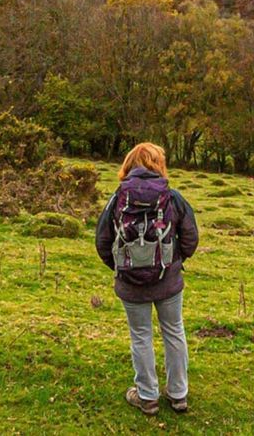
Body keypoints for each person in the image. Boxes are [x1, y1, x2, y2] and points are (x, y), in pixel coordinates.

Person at [94, 142, 199, 416]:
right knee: (174, 331)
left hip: (131, 284)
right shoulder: (173, 198)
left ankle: (147, 397)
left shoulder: (117, 199)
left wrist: (122, 267)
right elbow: (191, 237)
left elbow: (102, 241)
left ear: (128, 165)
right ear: (159, 165)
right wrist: (174, 263)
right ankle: (178, 394)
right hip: (168, 282)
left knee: (140, 335)